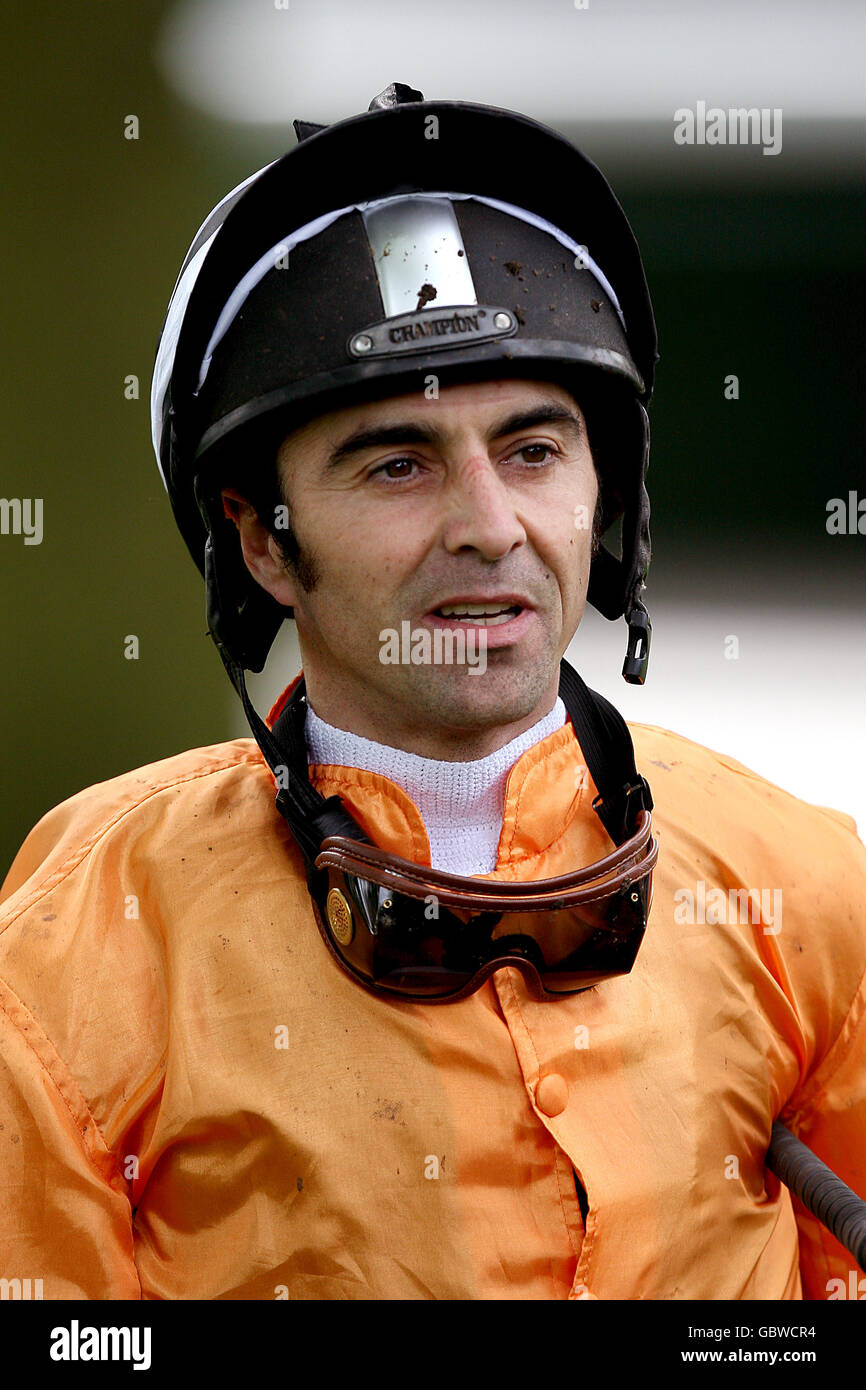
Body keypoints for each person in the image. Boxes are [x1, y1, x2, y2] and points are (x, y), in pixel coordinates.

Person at [1, 83, 864, 1303]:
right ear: (258, 540)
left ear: (601, 495)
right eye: (398, 463)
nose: (488, 525)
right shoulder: (78, 943)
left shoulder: (807, 888)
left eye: (532, 449)